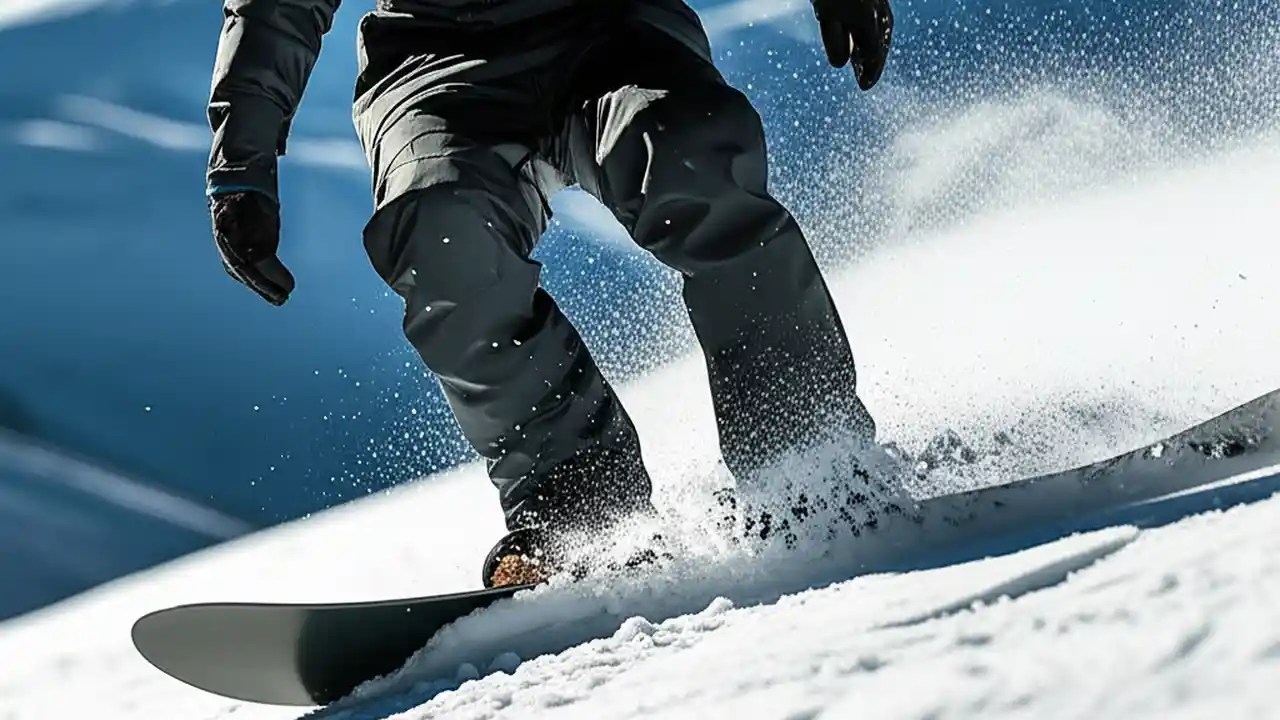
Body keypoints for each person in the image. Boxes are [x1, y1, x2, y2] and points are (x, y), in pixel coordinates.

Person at [206, 0, 893, 588]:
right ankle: (583, 512)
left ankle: (808, 458)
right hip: (433, 60)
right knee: (440, 229)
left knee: (689, 148)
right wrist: (241, 159)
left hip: (612, 26)